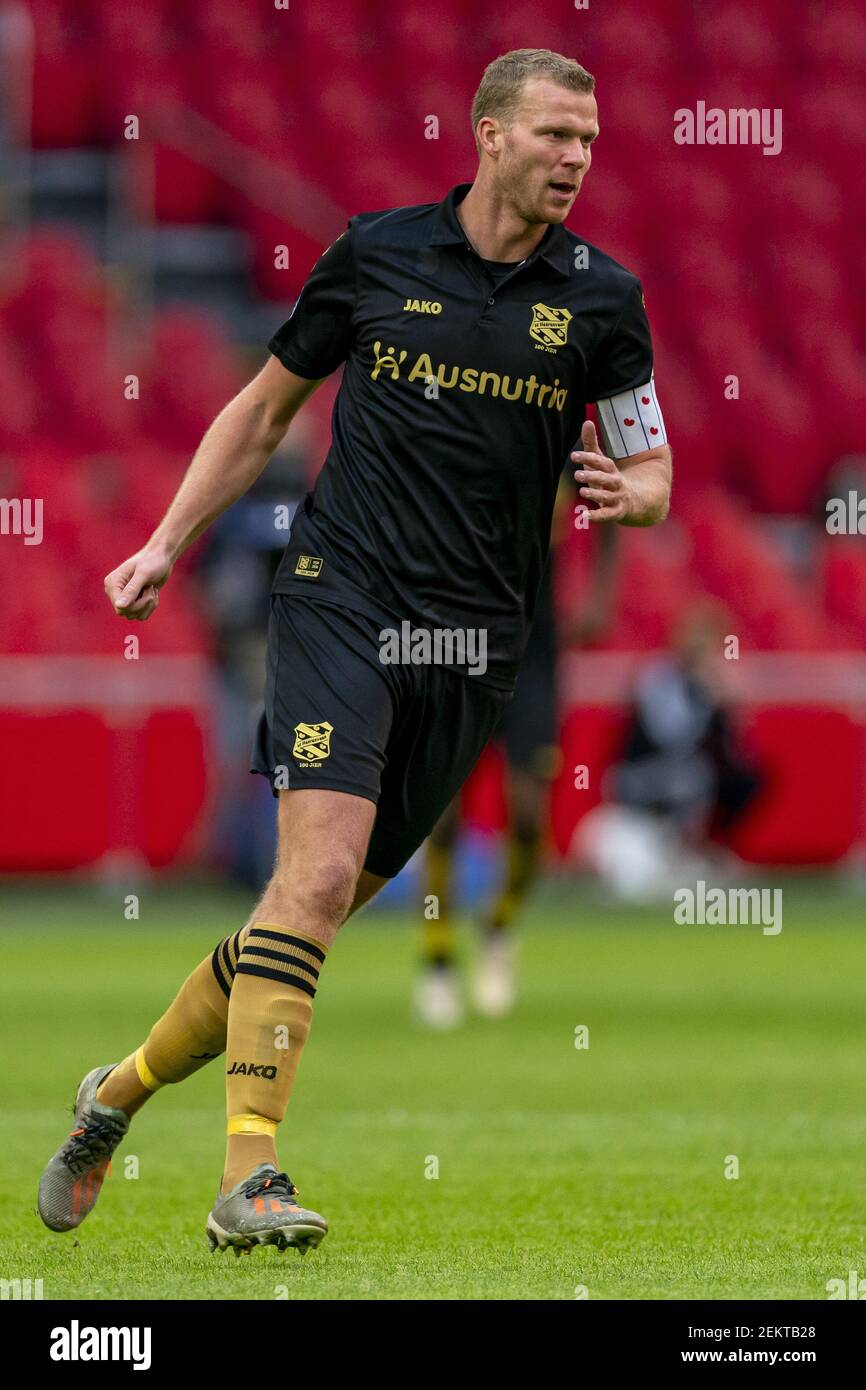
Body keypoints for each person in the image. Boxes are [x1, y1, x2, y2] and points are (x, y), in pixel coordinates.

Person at [39, 48, 672, 1256]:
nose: (574, 159)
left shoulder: (602, 301)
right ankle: (251, 1173)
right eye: (553, 135)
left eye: (587, 142)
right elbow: (264, 409)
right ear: (489, 135)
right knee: (315, 879)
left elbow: (650, 458)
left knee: (302, 918)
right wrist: (167, 540)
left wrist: (634, 497)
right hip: (342, 596)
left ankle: (114, 1092)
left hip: (477, 641)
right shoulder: (373, 254)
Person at [418, 511, 619, 1027]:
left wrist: (599, 588)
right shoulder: (459, 436)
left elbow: (612, 503)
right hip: (455, 644)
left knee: (530, 811)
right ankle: (438, 956)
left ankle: (499, 925)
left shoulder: (562, 441)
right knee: (442, 813)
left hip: (532, 650)